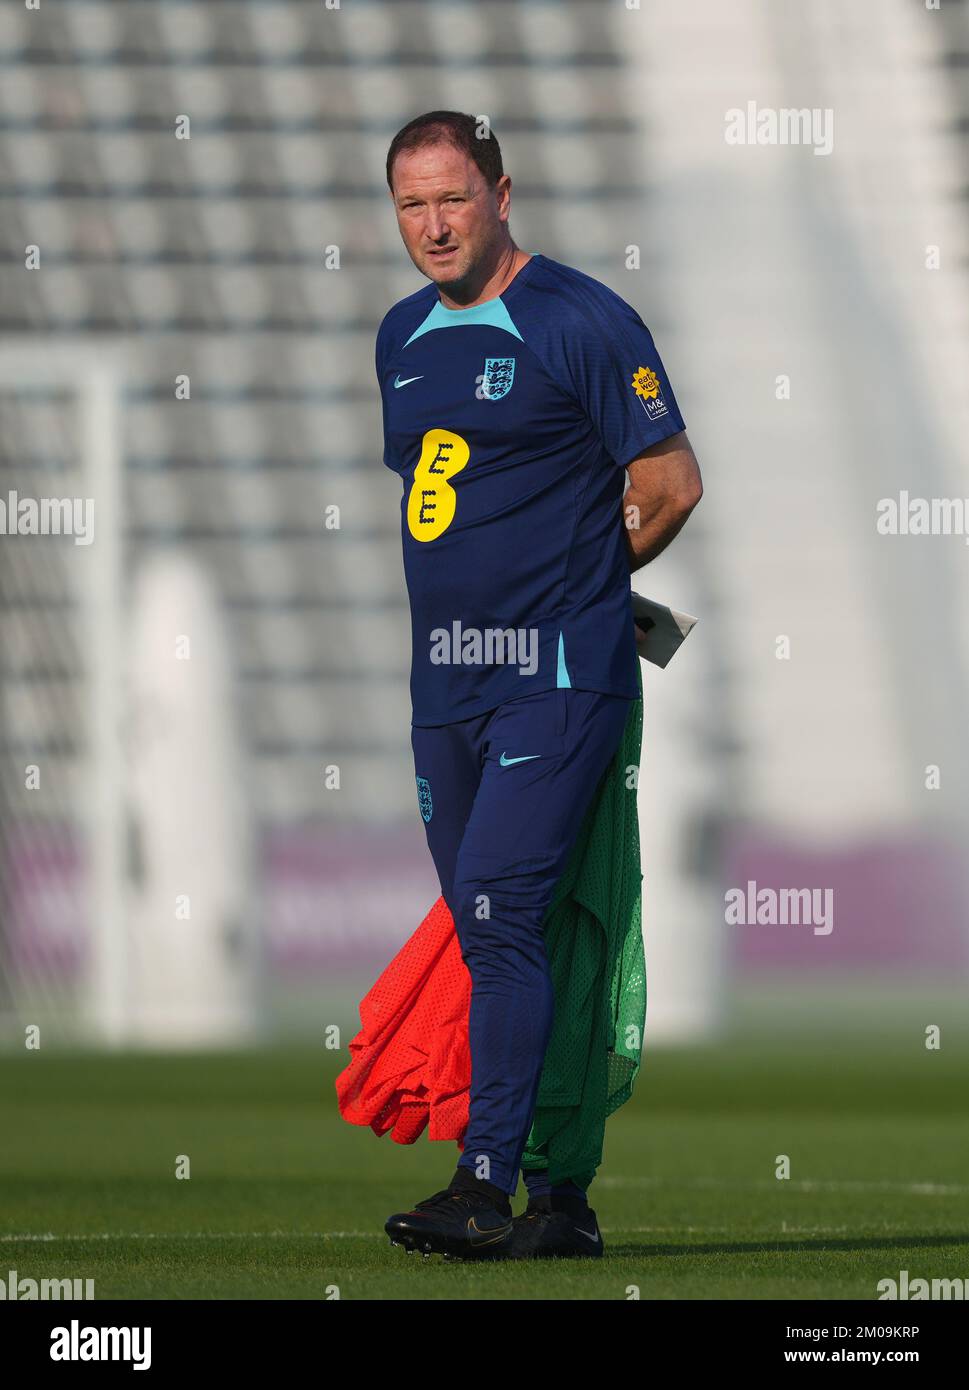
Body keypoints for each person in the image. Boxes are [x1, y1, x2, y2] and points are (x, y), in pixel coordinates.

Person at [376, 110, 702, 1260]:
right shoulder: (402, 336)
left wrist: (582, 586)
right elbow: (446, 504)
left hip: (559, 674)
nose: (433, 224)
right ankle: (565, 1198)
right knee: (509, 933)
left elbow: (669, 482)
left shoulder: (579, 318)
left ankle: (483, 1181)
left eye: (452, 198)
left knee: (502, 909)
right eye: (412, 204)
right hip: (445, 687)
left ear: (502, 194)